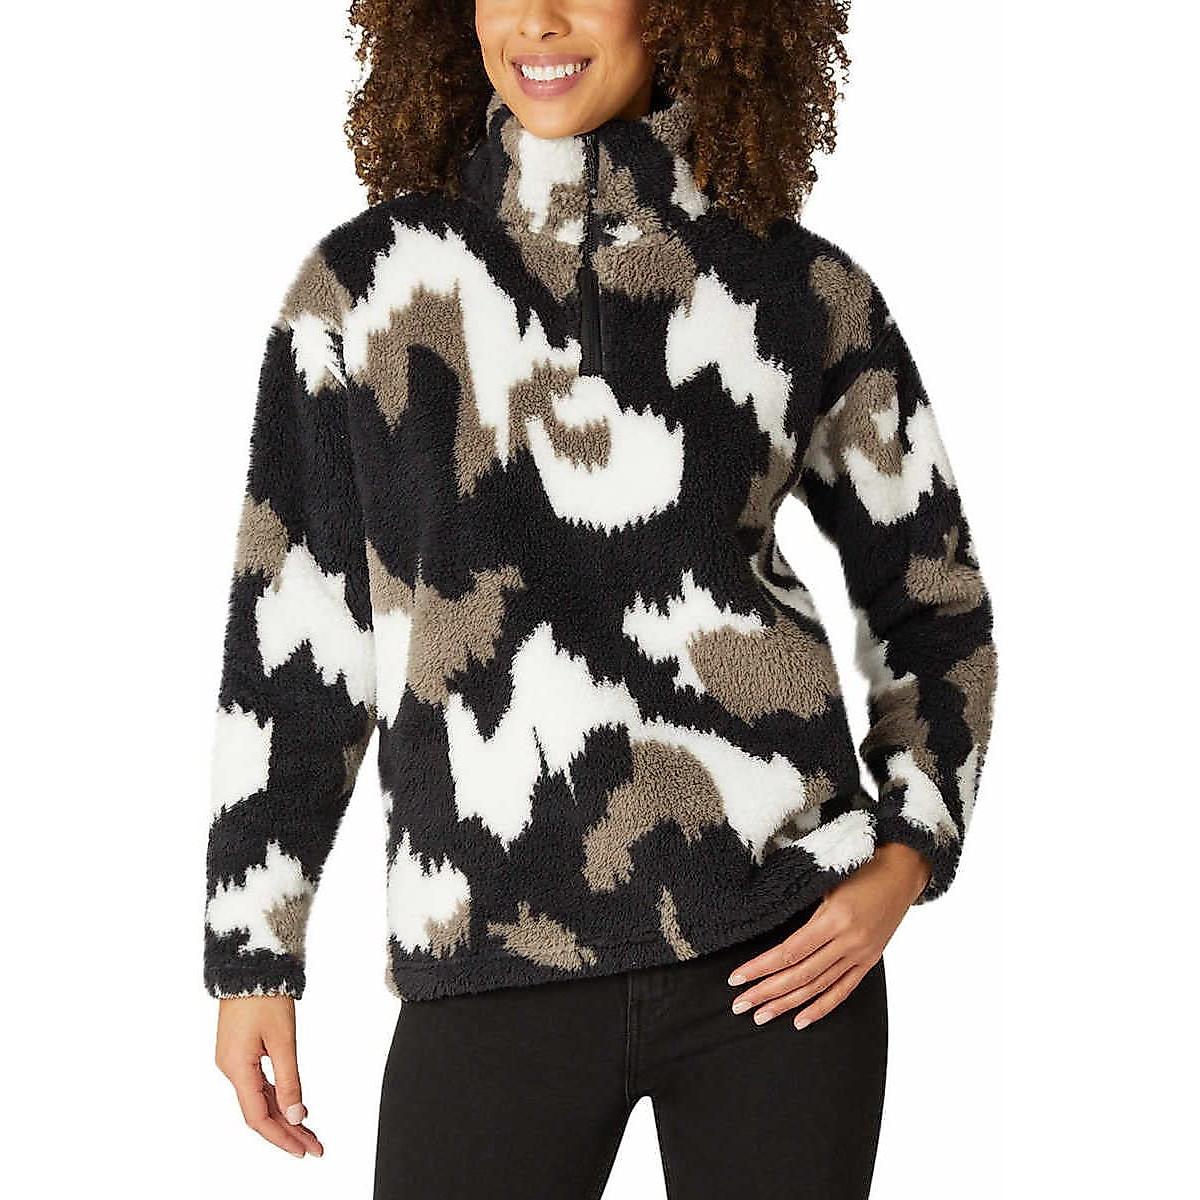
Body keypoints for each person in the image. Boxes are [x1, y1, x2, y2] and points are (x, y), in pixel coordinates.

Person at [205, 1, 998, 1195]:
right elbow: (297, 634)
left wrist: (907, 855)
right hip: (486, 953)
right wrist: (253, 951)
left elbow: (934, 599)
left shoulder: (797, 287)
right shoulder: (362, 291)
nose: (538, 21)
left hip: (779, 956)